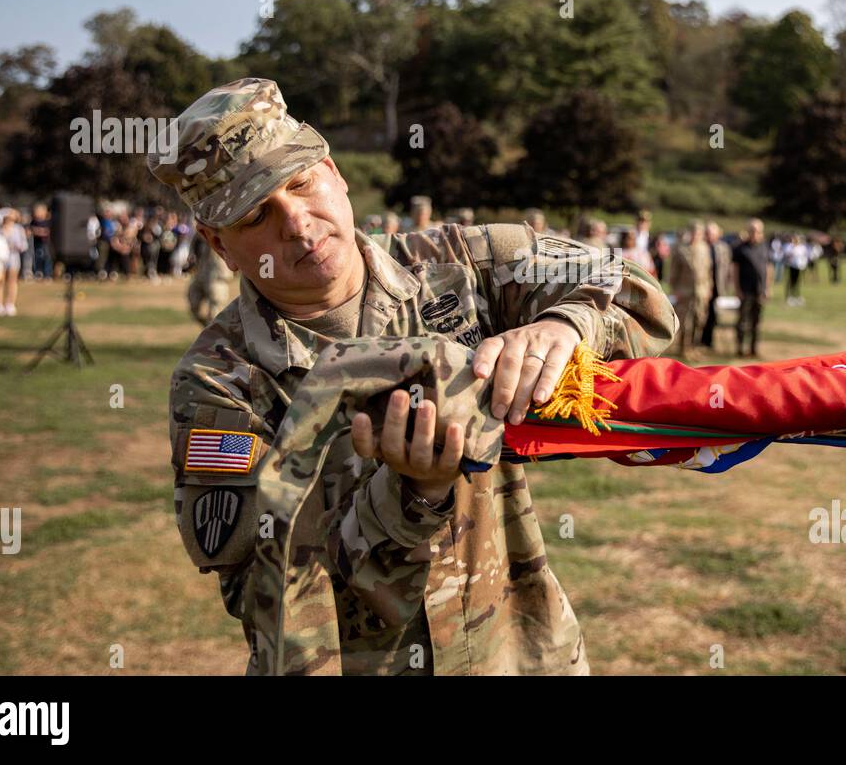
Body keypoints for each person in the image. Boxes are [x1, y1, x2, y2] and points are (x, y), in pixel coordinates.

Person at [150, 78, 676, 676]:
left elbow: (640, 297)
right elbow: (262, 589)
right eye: (256, 216)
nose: (296, 223)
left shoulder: (460, 263)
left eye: (301, 184)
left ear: (336, 172)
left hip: (520, 652)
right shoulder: (221, 380)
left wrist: (566, 325)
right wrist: (413, 495)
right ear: (220, 245)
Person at [668, 220, 712, 359]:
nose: (696, 235)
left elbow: (708, 271)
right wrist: (675, 290)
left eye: (699, 233)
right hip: (685, 291)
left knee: (699, 319)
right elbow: (673, 272)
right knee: (685, 321)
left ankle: (694, 346)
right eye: (694, 232)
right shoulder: (681, 249)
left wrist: (709, 288)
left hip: (701, 291)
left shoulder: (704, 249)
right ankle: (684, 348)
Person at [731, 218, 770, 357]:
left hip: (759, 290)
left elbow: (767, 268)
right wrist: (737, 289)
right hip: (745, 290)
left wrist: (767, 288)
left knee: (756, 322)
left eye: (758, 231)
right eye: (752, 230)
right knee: (742, 321)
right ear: (748, 231)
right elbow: (735, 269)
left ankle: (754, 349)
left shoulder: (765, 247)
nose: (755, 233)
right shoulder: (740, 248)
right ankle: (740, 348)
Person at [699, 221, 734, 348]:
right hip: (702, 287)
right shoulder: (700, 247)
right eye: (707, 233)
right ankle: (698, 340)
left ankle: (708, 340)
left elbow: (728, 267)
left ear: (718, 234)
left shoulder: (723, 248)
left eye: (712, 233)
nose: (709, 236)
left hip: (717, 286)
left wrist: (727, 284)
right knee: (701, 314)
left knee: (713, 314)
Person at [784, 233, 808, 305]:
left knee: (797, 282)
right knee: (791, 281)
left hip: (799, 267)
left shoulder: (802, 247)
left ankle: (796, 295)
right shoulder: (790, 246)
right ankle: (789, 296)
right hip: (792, 266)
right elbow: (787, 255)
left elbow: (804, 256)